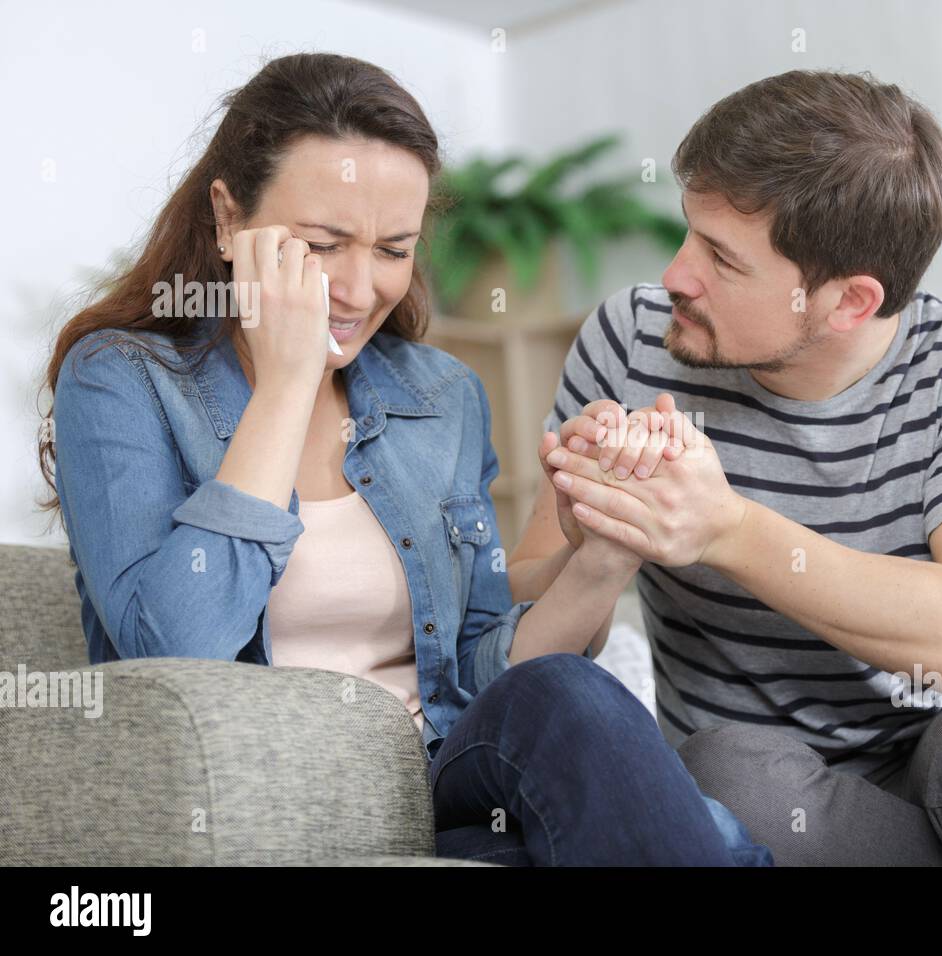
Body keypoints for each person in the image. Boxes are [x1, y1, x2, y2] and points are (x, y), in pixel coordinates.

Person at [39, 51, 771, 868]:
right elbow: (171, 653)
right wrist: (286, 384)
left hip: (439, 784)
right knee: (710, 837)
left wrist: (603, 555)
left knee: (576, 708)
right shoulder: (122, 379)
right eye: (322, 244)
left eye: (393, 249)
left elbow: (491, 672)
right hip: (263, 801)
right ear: (227, 218)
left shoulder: (439, 393)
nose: (359, 288)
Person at [509, 70, 942, 866]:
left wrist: (724, 527)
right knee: (730, 775)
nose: (675, 275)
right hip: (761, 796)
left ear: (847, 303)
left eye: (721, 260)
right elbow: (521, 622)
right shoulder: (628, 343)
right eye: (687, 233)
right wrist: (597, 540)